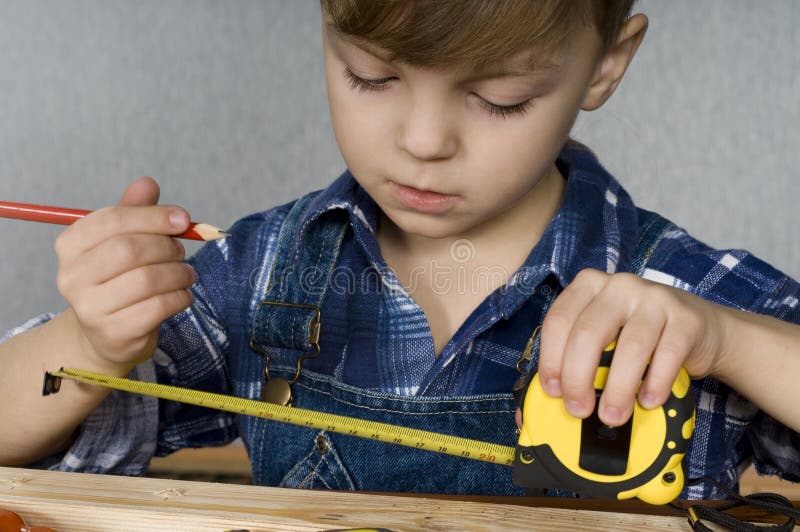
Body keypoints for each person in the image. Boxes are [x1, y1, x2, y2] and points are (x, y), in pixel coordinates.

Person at [0, 0, 798, 499]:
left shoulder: (678, 293)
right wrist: (88, 341)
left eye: (499, 98)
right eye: (372, 78)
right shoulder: (267, 272)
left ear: (605, 65)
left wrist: (729, 340)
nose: (422, 142)